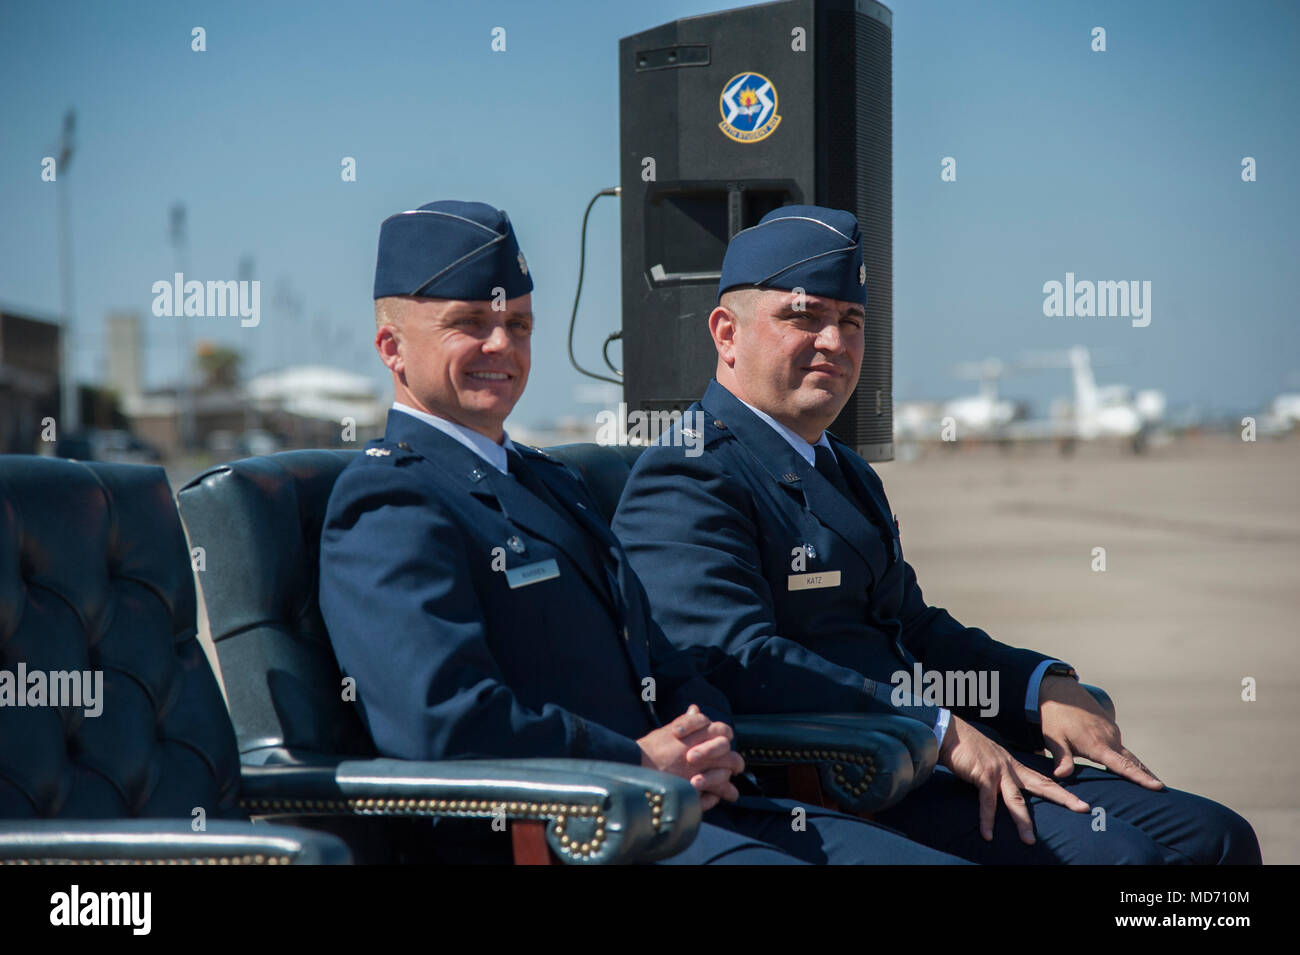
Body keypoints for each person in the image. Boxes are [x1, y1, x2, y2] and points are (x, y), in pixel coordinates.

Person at [318, 199, 968, 864]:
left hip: (675, 806)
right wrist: (632, 758)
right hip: (563, 831)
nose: (502, 346)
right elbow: (444, 722)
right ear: (392, 348)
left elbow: (657, 656)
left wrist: (702, 736)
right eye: (470, 325)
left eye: (518, 324)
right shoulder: (391, 499)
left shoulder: (548, 481)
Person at [612, 204, 1262, 865]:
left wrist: (1038, 687)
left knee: (1216, 839)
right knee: (1116, 859)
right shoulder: (690, 472)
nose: (834, 341)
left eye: (851, 321)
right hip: (840, 776)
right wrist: (939, 728)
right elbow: (735, 659)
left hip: (923, 756)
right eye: (804, 317)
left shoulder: (842, 469)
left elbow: (914, 631)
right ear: (726, 332)